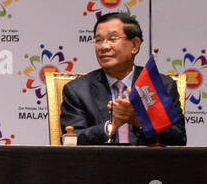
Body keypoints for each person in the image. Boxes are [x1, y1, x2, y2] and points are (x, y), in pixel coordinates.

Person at [61, 12, 186, 146]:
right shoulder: (78, 90)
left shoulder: (160, 85)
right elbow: (70, 141)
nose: (104, 46)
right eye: (98, 40)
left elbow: (178, 139)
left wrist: (140, 120)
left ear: (134, 45)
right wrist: (111, 126)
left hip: (149, 165)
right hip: (99, 165)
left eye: (112, 38)